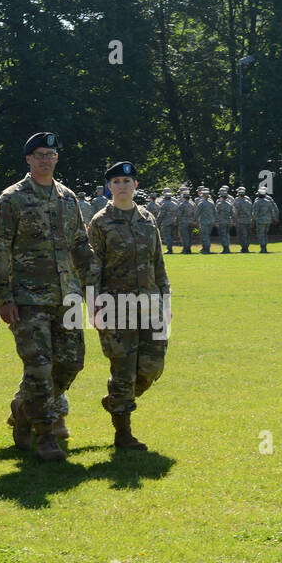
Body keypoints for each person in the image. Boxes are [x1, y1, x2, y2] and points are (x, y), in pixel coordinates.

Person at [0, 131, 94, 461]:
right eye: (39, 155)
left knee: (71, 363)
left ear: (56, 159)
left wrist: (94, 290)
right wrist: (3, 297)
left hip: (67, 297)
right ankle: (46, 434)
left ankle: (23, 408)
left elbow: (80, 245)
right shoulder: (12, 198)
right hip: (27, 299)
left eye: (50, 154)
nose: (45, 159)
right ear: (28, 160)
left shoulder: (67, 197)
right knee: (39, 365)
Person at [86, 162, 170, 449]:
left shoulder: (147, 218)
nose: (122, 185)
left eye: (127, 180)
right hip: (115, 306)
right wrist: (93, 304)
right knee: (122, 370)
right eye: (117, 181)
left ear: (135, 185)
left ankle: (116, 401)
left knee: (151, 367)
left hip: (150, 305)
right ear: (109, 187)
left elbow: (158, 262)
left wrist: (166, 299)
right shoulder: (99, 222)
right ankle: (123, 432)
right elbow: (92, 267)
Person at [253, 185, 278, 252]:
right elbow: (272, 210)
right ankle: (265, 247)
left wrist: (253, 220)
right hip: (268, 220)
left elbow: (255, 213)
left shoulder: (257, 202)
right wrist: (274, 218)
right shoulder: (268, 201)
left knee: (260, 234)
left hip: (260, 221)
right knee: (265, 234)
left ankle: (263, 248)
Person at [233, 186, 255, 252]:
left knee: (241, 235)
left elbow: (236, 212)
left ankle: (244, 248)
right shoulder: (248, 201)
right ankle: (246, 247)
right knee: (247, 235)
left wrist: (234, 220)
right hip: (248, 220)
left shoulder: (237, 201)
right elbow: (252, 210)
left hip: (240, 221)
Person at [194, 185, 215, 253]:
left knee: (205, 236)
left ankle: (207, 249)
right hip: (211, 221)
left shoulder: (201, 203)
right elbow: (215, 212)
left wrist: (195, 220)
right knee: (207, 235)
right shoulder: (211, 203)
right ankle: (205, 248)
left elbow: (197, 213)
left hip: (204, 221)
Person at [214, 185, 235, 253]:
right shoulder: (230, 204)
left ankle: (225, 249)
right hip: (228, 221)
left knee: (223, 235)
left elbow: (216, 213)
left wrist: (216, 221)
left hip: (221, 221)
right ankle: (227, 248)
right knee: (226, 234)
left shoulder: (219, 204)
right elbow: (233, 213)